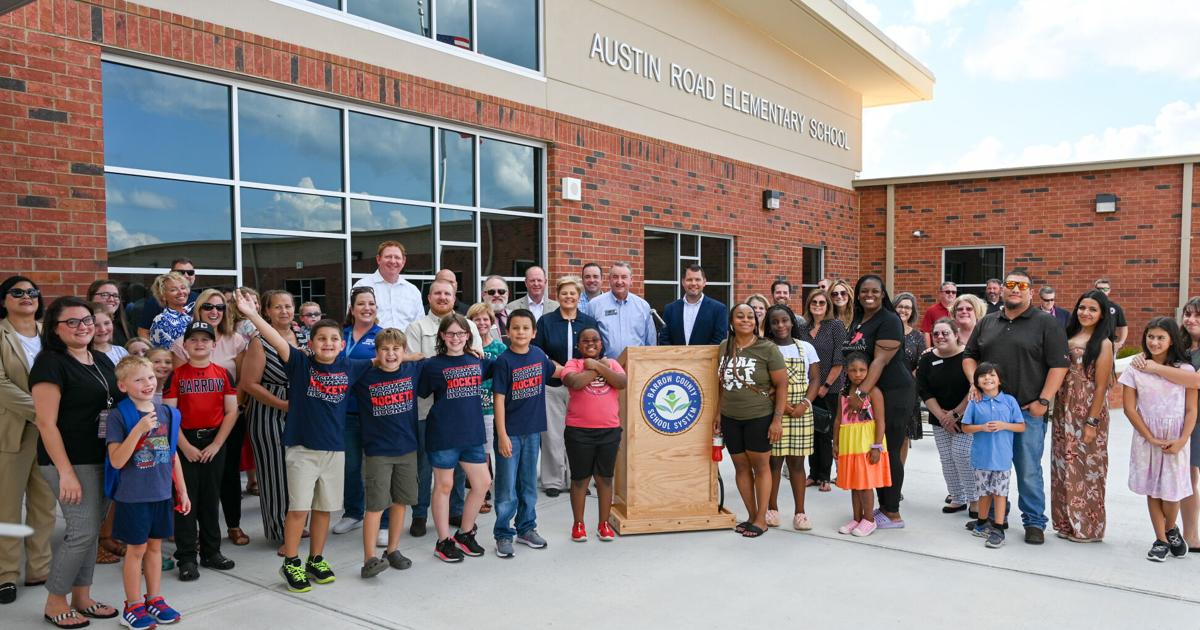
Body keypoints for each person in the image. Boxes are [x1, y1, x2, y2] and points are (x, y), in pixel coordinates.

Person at [235, 290, 374, 594]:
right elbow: (274, 338)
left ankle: (316, 559)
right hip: (302, 450)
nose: (328, 343)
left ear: (343, 344)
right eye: (321, 338)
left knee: (324, 509)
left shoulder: (350, 367)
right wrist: (251, 313)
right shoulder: (300, 363)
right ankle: (291, 560)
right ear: (310, 343)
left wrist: (421, 355)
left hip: (334, 450)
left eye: (334, 339)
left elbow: (391, 357)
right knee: (299, 509)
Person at [32, 297, 122, 627]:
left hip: (104, 458)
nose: (83, 326)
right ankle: (55, 600)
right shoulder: (49, 363)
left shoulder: (101, 360)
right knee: (81, 531)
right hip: (69, 462)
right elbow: (45, 423)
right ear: (55, 329)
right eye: (72, 322)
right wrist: (66, 472)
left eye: (86, 320)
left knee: (91, 531)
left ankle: (82, 597)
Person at [963, 271, 1069, 545]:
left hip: (1025, 411)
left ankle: (1034, 521)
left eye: (1022, 286)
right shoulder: (987, 322)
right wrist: (974, 384)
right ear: (1002, 290)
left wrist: (1044, 401)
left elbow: (1059, 365)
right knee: (991, 466)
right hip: (989, 413)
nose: (1015, 289)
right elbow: (970, 356)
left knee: (1028, 469)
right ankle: (997, 517)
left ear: (1031, 292)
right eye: (1010, 284)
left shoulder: (1046, 323)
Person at [106, 356, 188, 628]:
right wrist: (139, 430)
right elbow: (116, 460)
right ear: (123, 385)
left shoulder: (166, 413)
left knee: (155, 547)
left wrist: (182, 492)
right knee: (136, 550)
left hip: (162, 494)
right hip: (134, 496)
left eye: (150, 377)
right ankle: (133, 605)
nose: (147, 383)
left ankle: (154, 598)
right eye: (139, 379)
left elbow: (173, 456)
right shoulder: (119, 416)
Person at [171, 289, 251, 548]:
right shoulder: (182, 348)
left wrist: (231, 414)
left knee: (227, 476)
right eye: (208, 307)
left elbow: (240, 380)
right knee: (190, 484)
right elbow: (176, 394)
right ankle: (192, 536)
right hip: (190, 426)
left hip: (226, 418)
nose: (214, 311)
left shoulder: (235, 340)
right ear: (199, 309)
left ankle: (231, 526)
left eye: (220, 307)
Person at [404, 279, 483, 538]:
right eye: (437, 292)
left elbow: (476, 358)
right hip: (428, 410)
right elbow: (415, 364)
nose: (442, 297)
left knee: (458, 472)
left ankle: (456, 512)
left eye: (447, 293)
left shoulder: (468, 324)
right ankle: (419, 514)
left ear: (454, 296)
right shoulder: (416, 327)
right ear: (429, 297)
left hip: (462, 412)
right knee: (427, 469)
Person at [165, 321, 238, 582]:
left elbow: (231, 412)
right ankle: (186, 557)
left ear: (213, 344)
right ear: (184, 346)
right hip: (184, 443)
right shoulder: (177, 376)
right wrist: (184, 446)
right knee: (185, 501)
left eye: (204, 339)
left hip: (213, 442)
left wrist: (216, 444)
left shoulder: (222, 374)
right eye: (193, 339)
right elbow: (169, 415)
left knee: (210, 499)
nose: (199, 344)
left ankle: (211, 551)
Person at [1119, 317, 1197, 561]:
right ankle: (1161, 539)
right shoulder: (1136, 367)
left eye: (1161, 337)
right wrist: (1149, 437)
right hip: (1147, 436)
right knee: (1152, 487)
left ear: (1172, 339)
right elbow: (1129, 408)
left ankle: (1171, 527)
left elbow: (1191, 409)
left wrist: (1184, 438)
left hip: (1175, 436)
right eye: (1150, 336)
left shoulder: (1185, 370)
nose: (1154, 342)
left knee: (1172, 491)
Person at [418, 315, 492, 562]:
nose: (456, 338)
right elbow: (420, 390)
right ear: (442, 336)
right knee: (444, 486)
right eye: (450, 334)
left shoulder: (477, 361)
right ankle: (443, 541)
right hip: (443, 433)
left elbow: (502, 368)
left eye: (461, 334)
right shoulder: (432, 365)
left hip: (472, 433)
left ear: (468, 336)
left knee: (482, 483)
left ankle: (465, 533)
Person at [843, 275, 914, 530]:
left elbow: (879, 361)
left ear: (883, 294)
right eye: (864, 291)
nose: (869, 295)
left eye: (875, 291)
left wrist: (860, 394)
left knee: (889, 450)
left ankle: (892, 511)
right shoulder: (860, 319)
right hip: (872, 391)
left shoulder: (890, 320)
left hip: (893, 392)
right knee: (876, 451)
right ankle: (882, 506)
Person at [240, 290, 307, 548]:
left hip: (300, 412)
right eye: (277, 307)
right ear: (266, 312)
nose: (284, 311)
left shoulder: (302, 336)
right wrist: (282, 404)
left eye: (288, 306)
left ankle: (298, 525)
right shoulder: (259, 342)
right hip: (269, 412)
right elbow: (249, 383)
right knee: (275, 472)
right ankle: (279, 530)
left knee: (297, 472)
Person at [716, 303, 788, 539]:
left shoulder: (767, 348)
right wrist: (718, 414)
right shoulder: (724, 347)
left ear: (756, 322)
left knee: (761, 467)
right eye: (740, 316)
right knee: (741, 467)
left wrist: (777, 420)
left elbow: (781, 385)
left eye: (750, 316)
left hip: (759, 416)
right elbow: (721, 384)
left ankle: (762, 518)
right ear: (732, 321)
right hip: (730, 417)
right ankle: (751, 515)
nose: (745, 320)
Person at [0, 276, 51, 606]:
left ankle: (39, 568)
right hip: (13, 430)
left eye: (32, 292)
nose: (26, 297)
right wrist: (44, 411)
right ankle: (5, 573)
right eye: (16, 292)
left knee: (44, 505)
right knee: (7, 506)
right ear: (4, 300)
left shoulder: (52, 332)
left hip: (50, 434)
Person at [354, 328, 422, 577]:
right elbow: (342, 366)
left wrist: (411, 358)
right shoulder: (365, 376)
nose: (390, 354)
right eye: (384, 349)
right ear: (376, 352)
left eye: (396, 349)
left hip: (407, 448)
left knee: (400, 501)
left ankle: (392, 550)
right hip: (378, 451)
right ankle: (369, 558)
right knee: (375, 505)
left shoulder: (413, 370)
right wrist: (374, 361)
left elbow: (435, 360)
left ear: (404, 352)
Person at [492, 309, 559, 557]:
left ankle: (526, 528)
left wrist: (585, 366)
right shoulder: (504, 361)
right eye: (516, 328)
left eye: (525, 328)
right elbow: (498, 399)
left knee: (529, 484)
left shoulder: (539, 355)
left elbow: (557, 370)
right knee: (507, 487)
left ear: (534, 332)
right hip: (510, 433)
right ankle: (502, 534)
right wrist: (503, 434)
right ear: (507, 332)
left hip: (532, 432)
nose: (520, 332)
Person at [1051, 290, 1115, 542]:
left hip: (1087, 412)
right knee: (1063, 468)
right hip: (1062, 412)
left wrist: (1092, 421)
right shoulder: (1067, 337)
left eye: (1092, 309)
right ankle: (1066, 523)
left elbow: (1101, 386)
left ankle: (1089, 528)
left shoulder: (1104, 343)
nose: (1085, 313)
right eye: (1082, 308)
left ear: (1101, 315)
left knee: (1088, 469)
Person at [534, 276, 600, 497]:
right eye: (564, 293)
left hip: (581, 387)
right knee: (552, 435)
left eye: (573, 293)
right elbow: (538, 351)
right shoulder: (546, 321)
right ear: (558, 295)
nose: (568, 297)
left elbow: (598, 350)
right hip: (553, 384)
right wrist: (560, 369)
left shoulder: (588, 322)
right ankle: (553, 481)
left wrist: (579, 371)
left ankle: (577, 479)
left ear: (579, 296)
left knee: (578, 436)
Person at [560, 327, 625, 542]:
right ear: (578, 345)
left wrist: (596, 365)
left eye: (595, 340)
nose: (590, 343)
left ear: (601, 344)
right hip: (579, 432)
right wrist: (598, 368)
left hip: (609, 430)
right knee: (580, 479)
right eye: (585, 340)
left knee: (605, 478)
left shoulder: (613, 363)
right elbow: (576, 383)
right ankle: (578, 524)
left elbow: (621, 382)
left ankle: (603, 524)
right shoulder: (573, 364)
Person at [332, 287, 383, 538]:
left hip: (375, 411)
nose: (367, 308)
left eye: (371, 303)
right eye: (361, 304)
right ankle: (353, 512)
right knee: (351, 466)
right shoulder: (339, 335)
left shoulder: (382, 336)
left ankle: (381, 519)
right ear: (352, 309)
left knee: (377, 466)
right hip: (345, 411)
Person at [763, 305, 820, 531]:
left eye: (784, 320)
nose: (780, 326)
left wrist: (805, 404)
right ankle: (771, 508)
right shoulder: (765, 348)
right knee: (774, 462)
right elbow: (764, 383)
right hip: (775, 411)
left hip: (802, 412)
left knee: (797, 463)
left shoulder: (805, 348)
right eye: (775, 322)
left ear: (792, 322)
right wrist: (783, 406)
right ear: (769, 326)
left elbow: (814, 379)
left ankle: (800, 512)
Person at [961, 362, 1025, 549]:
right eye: (982, 376)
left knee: (999, 493)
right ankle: (982, 524)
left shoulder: (1009, 401)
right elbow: (965, 427)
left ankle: (998, 528)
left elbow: (1021, 426)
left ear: (999, 380)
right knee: (983, 493)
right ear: (977, 382)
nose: (987, 378)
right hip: (981, 457)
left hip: (1002, 458)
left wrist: (1004, 425)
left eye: (992, 375)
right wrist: (981, 427)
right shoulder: (975, 402)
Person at [917, 318, 974, 515]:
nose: (940, 337)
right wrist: (943, 417)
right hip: (939, 417)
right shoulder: (927, 359)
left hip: (966, 417)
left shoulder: (968, 356)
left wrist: (956, 414)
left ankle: (975, 499)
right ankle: (958, 498)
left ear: (956, 334)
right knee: (947, 458)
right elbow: (924, 391)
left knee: (962, 454)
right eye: (936, 334)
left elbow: (974, 387)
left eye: (945, 333)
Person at [833, 352, 890, 537]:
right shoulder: (843, 393)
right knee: (854, 483)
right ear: (846, 372)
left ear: (868, 371)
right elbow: (837, 419)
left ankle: (869, 520)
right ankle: (856, 518)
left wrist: (876, 446)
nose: (858, 374)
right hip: (849, 444)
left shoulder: (873, 391)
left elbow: (880, 421)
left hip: (867, 443)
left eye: (862, 370)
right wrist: (836, 442)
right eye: (853, 370)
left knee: (865, 484)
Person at [798, 289, 845, 493]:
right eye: (814, 302)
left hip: (829, 389)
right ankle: (813, 474)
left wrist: (825, 386)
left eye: (822, 303)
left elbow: (839, 359)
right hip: (808, 389)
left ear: (828, 306)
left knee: (825, 433)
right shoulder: (803, 328)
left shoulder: (835, 326)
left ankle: (825, 476)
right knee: (811, 432)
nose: (817, 305)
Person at [468, 302, 507, 513]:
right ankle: (482, 493)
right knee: (480, 454)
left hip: (494, 407)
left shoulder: (500, 348)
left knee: (498, 451)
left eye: (485, 319)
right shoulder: (467, 347)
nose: (481, 323)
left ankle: (501, 490)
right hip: (473, 409)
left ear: (492, 323)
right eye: (477, 319)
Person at [585, 262, 656, 360]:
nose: (619, 281)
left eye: (624, 277)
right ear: (609, 279)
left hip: (637, 366)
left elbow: (651, 342)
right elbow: (587, 340)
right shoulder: (594, 305)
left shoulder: (643, 306)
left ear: (631, 280)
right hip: (605, 368)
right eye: (615, 277)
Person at [353, 241, 424, 331]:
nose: (393, 261)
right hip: (372, 344)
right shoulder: (362, 286)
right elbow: (353, 320)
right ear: (378, 259)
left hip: (405, 344)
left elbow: (419, 325)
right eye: (388, 257)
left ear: (403, 261)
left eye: (397, 257)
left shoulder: (413, 291)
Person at [659, 264, 728, 346]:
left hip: (707, 358)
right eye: (689, 280)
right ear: (683, 282)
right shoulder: (670, 309)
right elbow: (664, 339)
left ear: (704, 282)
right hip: (676, 358)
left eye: (697, 279)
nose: (693, 283)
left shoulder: (718, 309)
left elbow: (719, 340)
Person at [893, 292, 926, 463]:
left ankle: (898, 478)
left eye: (907, 307)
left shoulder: (918, 336)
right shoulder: (886, 331)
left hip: (908, 391)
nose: (903, 310)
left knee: (904, 436)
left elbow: (921, 364)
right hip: (886, 389)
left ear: (912, 312)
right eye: (900, 306)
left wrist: (906, 380)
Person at [137, 258, 199, 339]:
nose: (186, 275)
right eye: (180, 272)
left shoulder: (200, 298)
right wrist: (153, 351)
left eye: (190, 272)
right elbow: (143, 332)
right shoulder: (155, 303)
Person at [147, 272, 193, 349]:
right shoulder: (161, 320)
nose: (181, 292)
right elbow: (171, 351)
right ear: (163, 296)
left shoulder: (189, 318)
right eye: (173, 290)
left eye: (183, 288)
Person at [87, 280, 133, 347]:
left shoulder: (125, 327)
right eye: (105, 295)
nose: (111, 299)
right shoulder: (85, 327)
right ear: (92, 297)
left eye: (115, 295)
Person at [1094, 278, 1129, 349]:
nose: (1102, 291)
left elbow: (1123, 326)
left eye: (1105, 289)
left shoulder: (1115, 307)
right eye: (1099, 289)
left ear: (1109, 290)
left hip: (1109, 344)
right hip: (1090, 343)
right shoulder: (1087, 305)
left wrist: (1121, 343)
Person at [920, 281, 957, 346]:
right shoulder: (932, 310)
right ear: (940, 293)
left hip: (956, 348)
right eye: (947, 292)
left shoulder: (960, 310)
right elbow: (926, 332)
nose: (951, 294)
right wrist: (929, 350)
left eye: (953, 292)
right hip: (937, 348)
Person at [482, 275, 511, 342]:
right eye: (491, 292)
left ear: (507, 294)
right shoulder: (474, 320)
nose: (496, 295)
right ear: (483, 295)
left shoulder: (517, 316)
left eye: (501, 291)